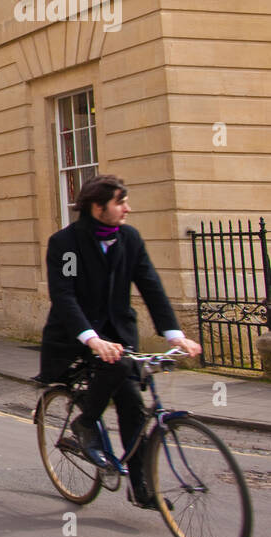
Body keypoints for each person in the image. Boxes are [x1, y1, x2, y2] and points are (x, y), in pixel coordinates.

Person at [39, 174, 202, 509]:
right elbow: (65, 296)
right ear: (98, 208)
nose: (128, 208)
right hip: (75, 339)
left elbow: (151, 285)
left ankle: (141, 489)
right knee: (121, 368)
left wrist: (175, 334)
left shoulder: (129, 239)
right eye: (120, 202)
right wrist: (92, 339)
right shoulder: (65, 244)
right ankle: (84, 424)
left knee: (133, 408)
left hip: (119, 337)